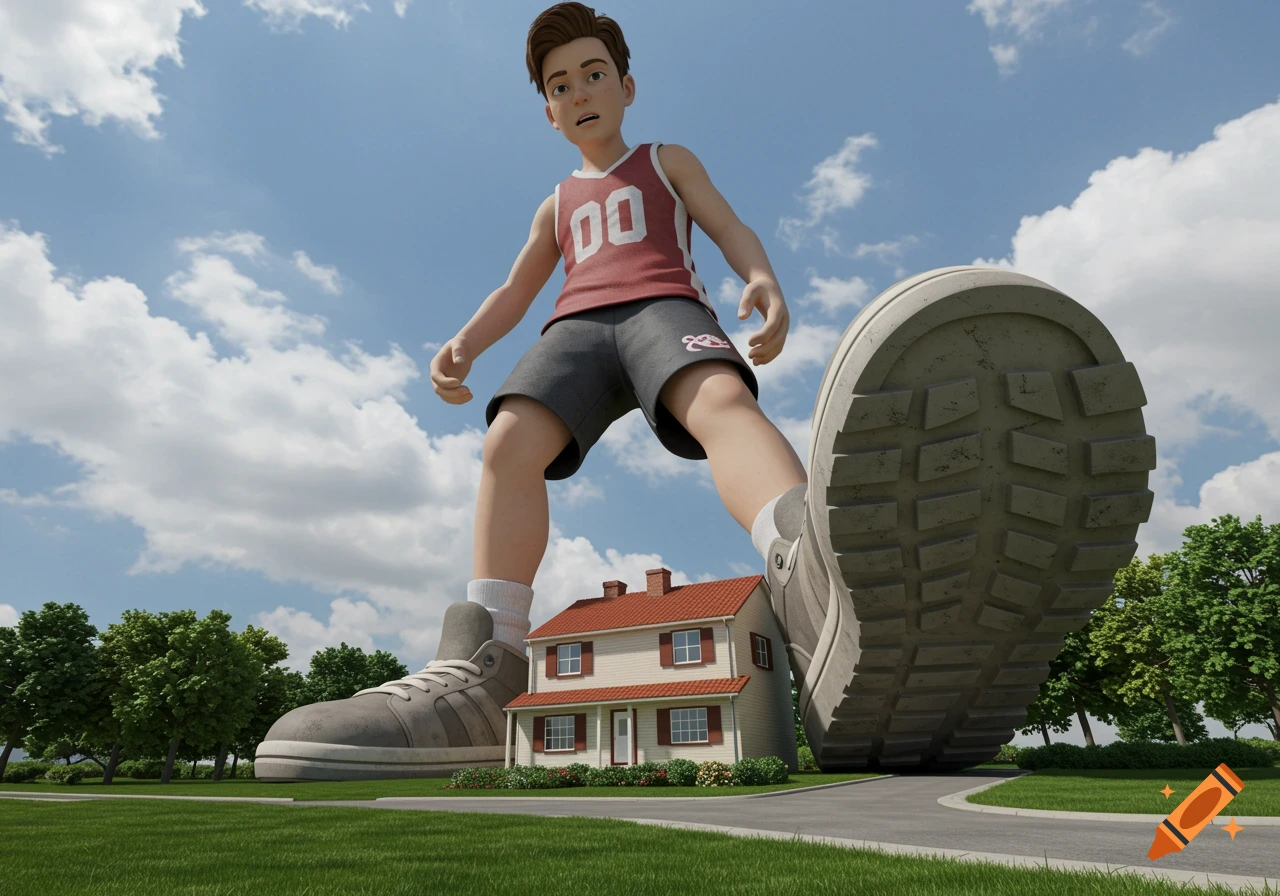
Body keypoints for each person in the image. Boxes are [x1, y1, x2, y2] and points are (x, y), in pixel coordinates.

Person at [256, 3, 1153, 780]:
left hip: (662, 307)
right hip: (575, 331)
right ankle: (492, 662)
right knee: (508, 441)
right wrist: (464, 341)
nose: (580, 92)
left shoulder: (664, 157)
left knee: (718, 401)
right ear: (548, 112)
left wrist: (759, 278)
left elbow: (728, 225)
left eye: (594, 73)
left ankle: (810, 570)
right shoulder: (556, 202)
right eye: (561, 85)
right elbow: (516, 291)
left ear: (626, 86)